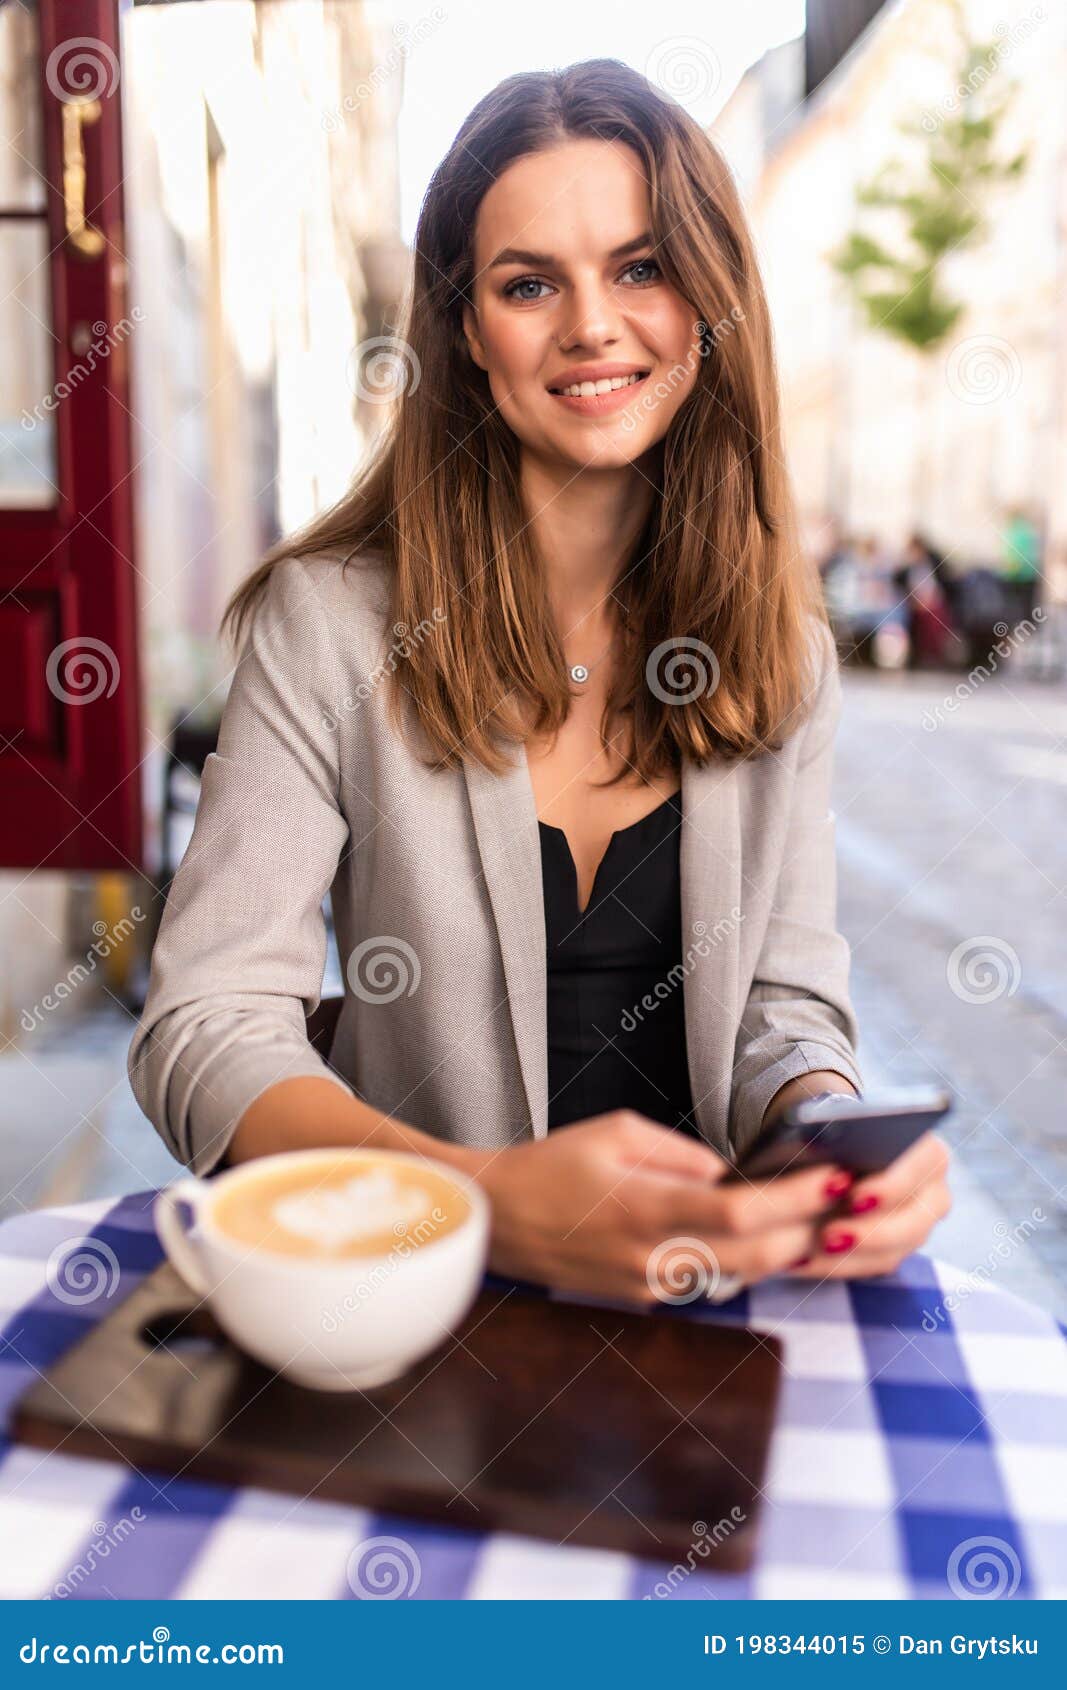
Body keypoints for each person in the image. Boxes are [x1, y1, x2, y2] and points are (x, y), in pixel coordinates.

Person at [128, 59, 950, 1305]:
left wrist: (827, 1131)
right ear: (465, 327)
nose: (591, 325)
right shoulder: (332, 625)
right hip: (416, 1297)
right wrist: (475, 1202)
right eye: (528, 285)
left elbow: (785, 1005)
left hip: (707, 1301)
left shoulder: (782, 645)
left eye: (640, 267)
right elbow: (207, 1020)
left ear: (709, 297)